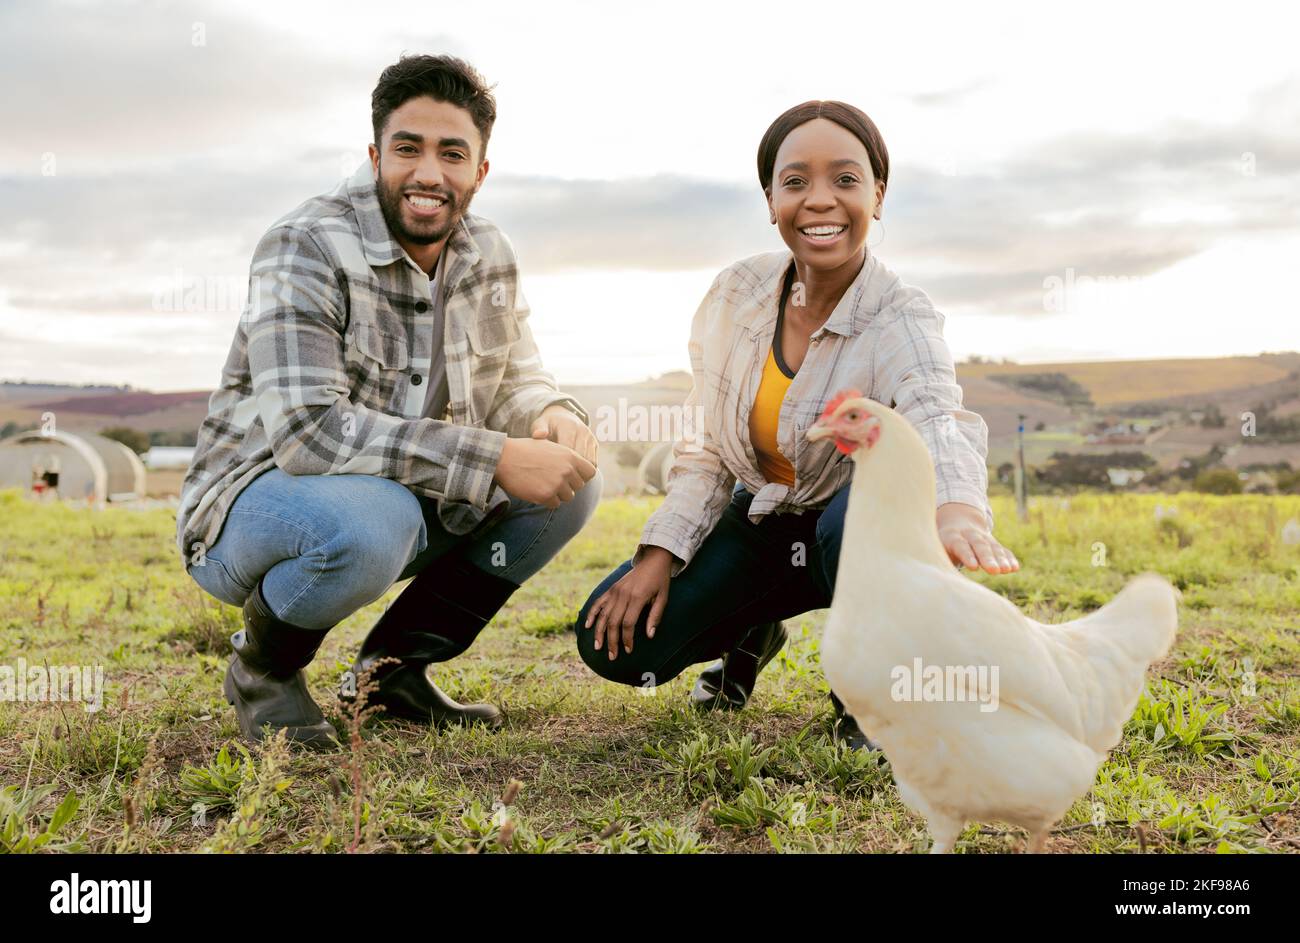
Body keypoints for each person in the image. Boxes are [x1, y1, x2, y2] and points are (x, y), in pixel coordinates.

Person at [178, 54, 601, 749]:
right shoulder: (305, 244)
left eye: (452, 153)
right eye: (409, 149)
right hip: (251, 507)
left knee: (571, 488)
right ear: (376, 155)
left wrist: (552, 415)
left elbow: (518, 375)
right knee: (379, 517)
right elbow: (311, 433)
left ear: (480, 171)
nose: (429, 173)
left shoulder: (488, 250)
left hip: (392, 495)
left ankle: (392, 674)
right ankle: (264, 670)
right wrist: (495, 454)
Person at [574, 101, 1018, 748]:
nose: (820, 201)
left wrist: (956, 510)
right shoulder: (735, 294)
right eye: (795, 181)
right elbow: (704, 445)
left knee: (867, 508)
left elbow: (936, 414)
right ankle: (752, 628)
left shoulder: (900, 316)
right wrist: (658, 553)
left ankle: (868, 695)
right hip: (758, 520)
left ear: (878, 195)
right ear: (770, 198)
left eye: (845, 179)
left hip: (853, 529)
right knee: (614, 645)